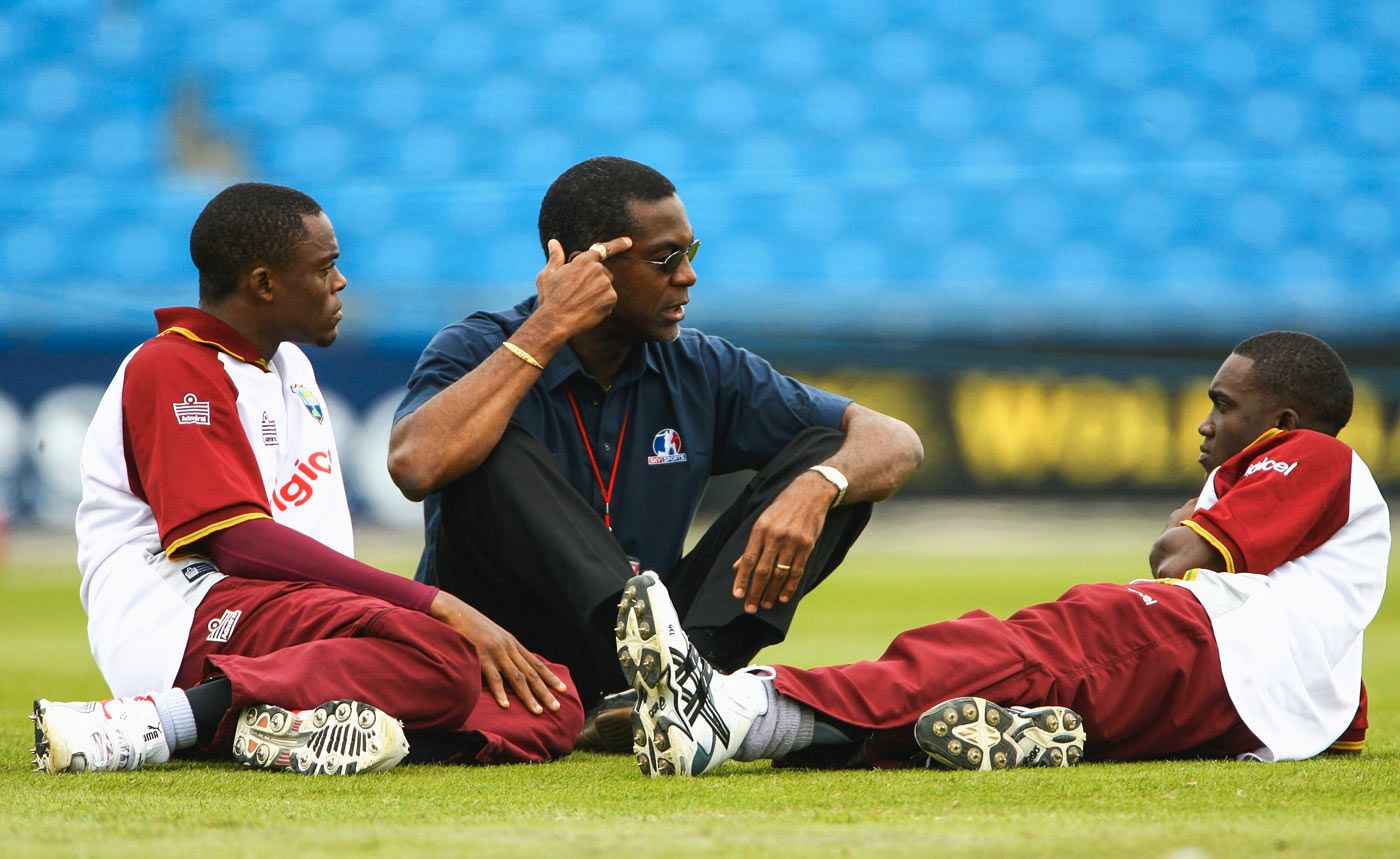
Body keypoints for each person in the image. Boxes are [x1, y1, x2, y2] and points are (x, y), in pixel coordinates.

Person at [614, 331, 1385, 776]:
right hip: (1229, 704)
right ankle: (1028, 732)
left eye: (1224, 405)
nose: (1205, 424)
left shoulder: (1314, 454)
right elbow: (1344, 716)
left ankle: (734, 709)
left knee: (995, 647)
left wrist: (1192, 516)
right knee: (961, 705)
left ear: (1283, 419)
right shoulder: (1323, 560)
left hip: (1206, 641)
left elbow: (1176, 560)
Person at [31, 182, 582, 776]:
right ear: (265, 284)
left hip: (295, 618)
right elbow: (235, 542)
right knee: (444, 657)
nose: (340, 282)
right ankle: (160, 722)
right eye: (326, 267)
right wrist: (433, 603)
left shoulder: (291, 366)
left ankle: (308, 735)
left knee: (552, 700)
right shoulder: (172, 367)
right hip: (186, 618)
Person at [387, 157, 923, 746]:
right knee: (485, 436)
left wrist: (820, 484)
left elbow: (895, 440)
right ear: (585, 264)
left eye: (691, 252)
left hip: (659, 652)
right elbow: (416, 465)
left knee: (830, 454)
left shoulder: (703, 366)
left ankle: (683, 688)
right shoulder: (477, 346)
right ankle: (659, 678)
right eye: (666, 259)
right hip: (505, 653)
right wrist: (547, 329)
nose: (688, 276)